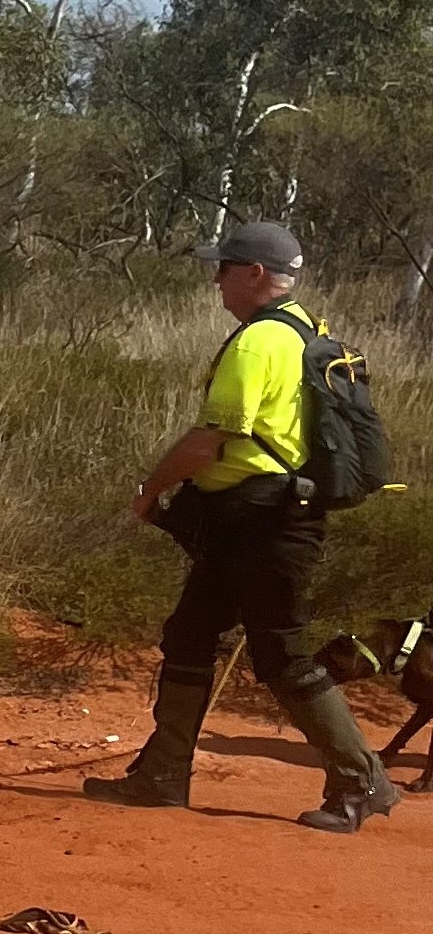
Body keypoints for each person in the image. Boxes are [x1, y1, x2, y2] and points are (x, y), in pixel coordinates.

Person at [85, 220, 395, 833]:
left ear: (254, 274)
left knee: (282, 653)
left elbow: (211, 439)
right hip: (251, 519)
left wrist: (153, 488)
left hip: (268, 521)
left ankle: (364, 781)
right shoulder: (305, 332)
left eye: (223, 267)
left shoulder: (259, 342)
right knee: (191, 634)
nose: (216, 280)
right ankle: (163, 775)